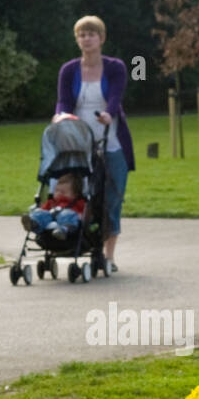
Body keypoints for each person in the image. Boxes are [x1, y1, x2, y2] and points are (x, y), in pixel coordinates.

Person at [55, 16, 134, 270]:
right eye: (82, 34)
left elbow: (115, 96)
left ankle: (109, 255)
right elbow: (63, 100)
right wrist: (60, 115)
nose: (86, 39)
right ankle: (83, 244)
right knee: (82, 194)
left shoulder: (115, 67)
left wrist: (109, 113)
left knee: (111, 198)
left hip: (110, 139)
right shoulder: (68, 70)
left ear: (101, 38)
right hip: (78, 141)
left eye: (91, 34)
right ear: (77, 40)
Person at [21, 173, 85, 241]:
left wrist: (81, 216)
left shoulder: (78, 202)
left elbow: (84, 211)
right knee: (41, 213)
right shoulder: (52, 201)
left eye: (63, 192)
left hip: (66, 222)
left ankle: (63, 230)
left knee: (68, 214)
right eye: (57, 191)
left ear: (75, 195)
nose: (59, 194)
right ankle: (33, 223)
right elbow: (44, 209)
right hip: (50, 219)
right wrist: (39, 212)